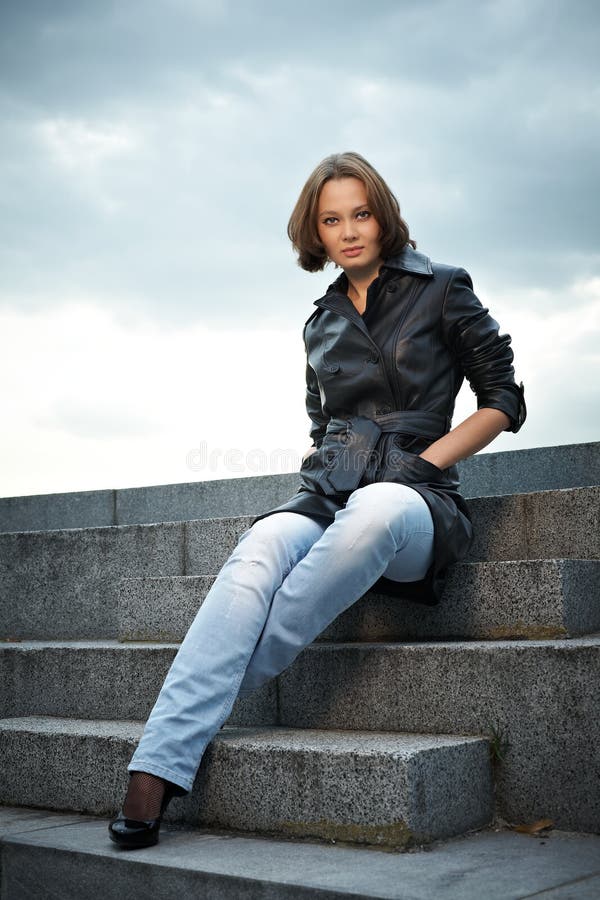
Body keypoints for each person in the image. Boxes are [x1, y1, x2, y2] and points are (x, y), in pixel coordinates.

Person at [109, 151, 526, 849]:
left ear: (383, 215)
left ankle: (211, 690)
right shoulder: (320, 322)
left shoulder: (445, 287)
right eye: (332, 220)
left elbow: (503, 401)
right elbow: (321, 424)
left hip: (416, 502)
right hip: (331, 489)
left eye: (361, 213)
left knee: (377, 511)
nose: (349, 230)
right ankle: (153, 772)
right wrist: (327, 475)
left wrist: (419, 466)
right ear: (316, 233)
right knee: (258, 550)